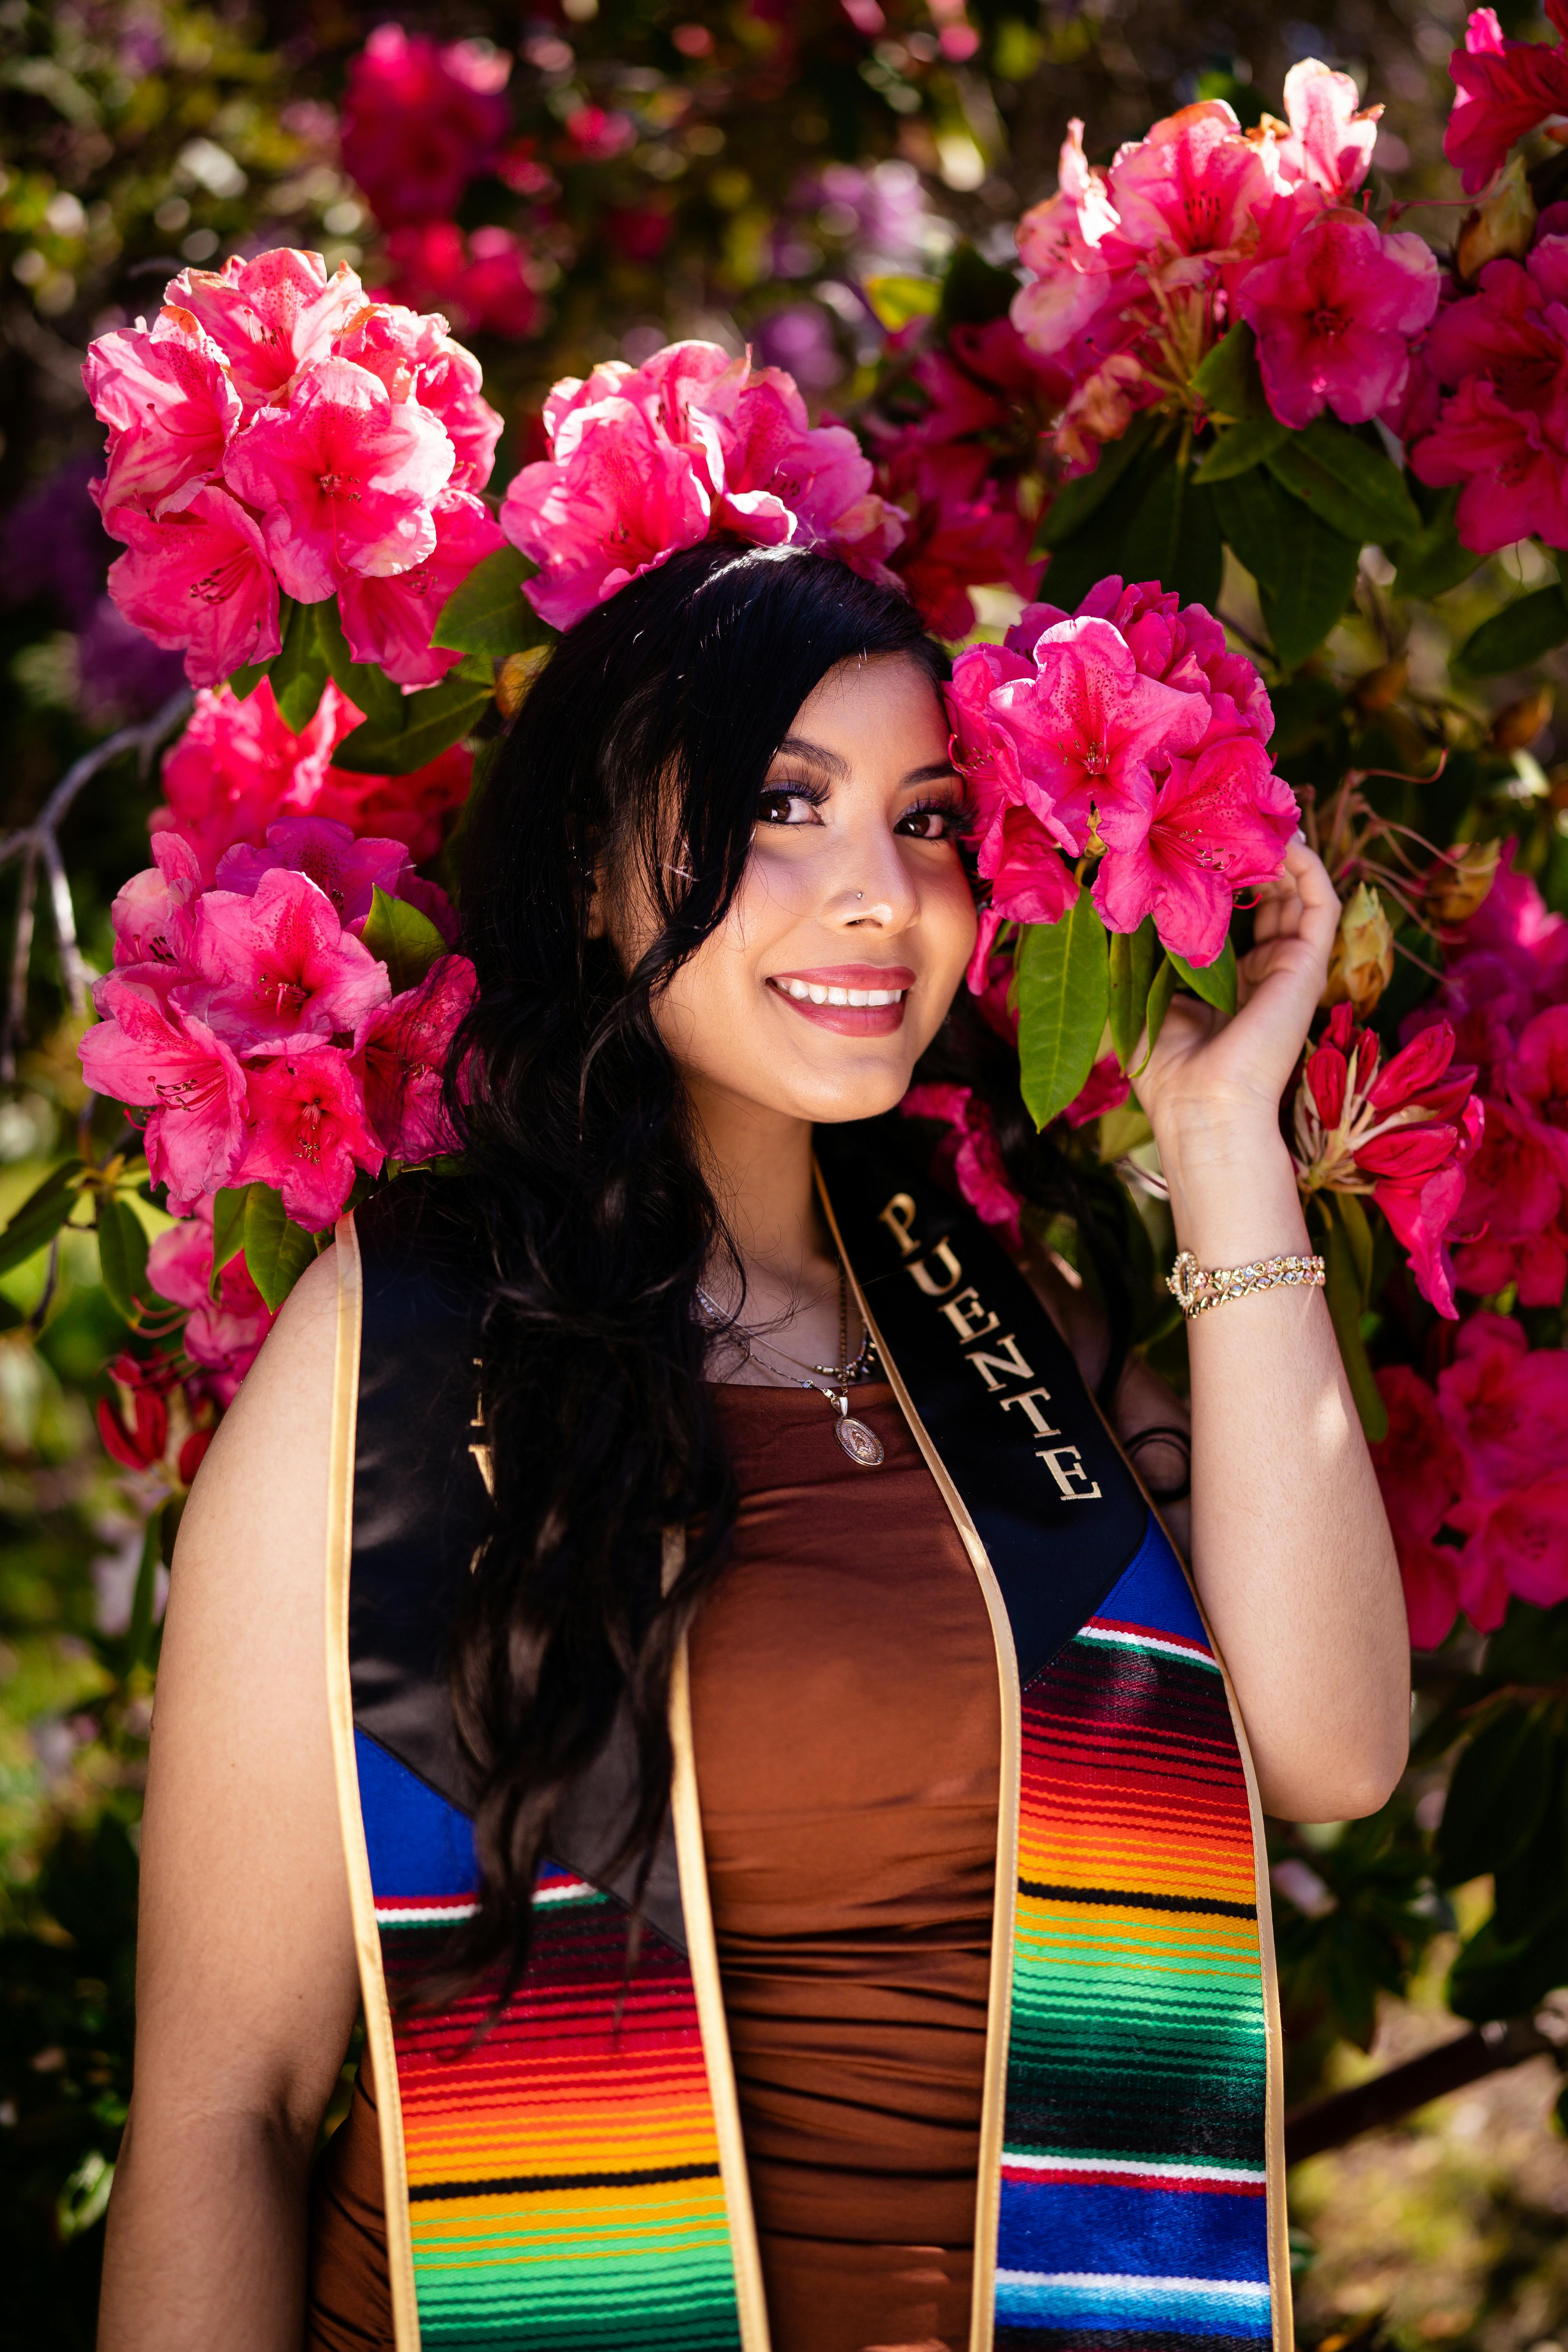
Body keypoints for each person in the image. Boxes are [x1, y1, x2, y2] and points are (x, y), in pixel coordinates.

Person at [97, 537, 1407, 2352]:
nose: (877, 894)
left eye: (929, 820)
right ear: (590, 867)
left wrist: (1218, 1132)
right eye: (782, 807)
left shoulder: (1014, 1338)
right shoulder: (402, 1353)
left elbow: (1332, 1746)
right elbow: (226, 2107)